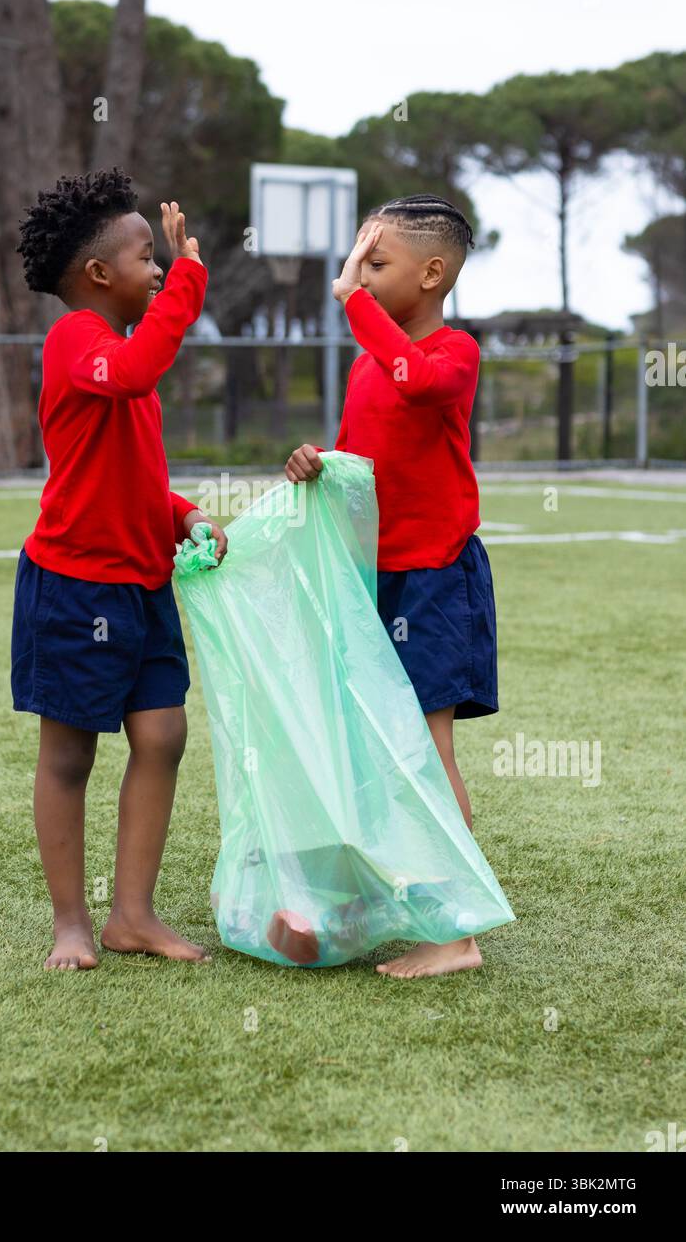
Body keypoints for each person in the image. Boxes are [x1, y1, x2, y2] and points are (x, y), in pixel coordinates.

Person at [12, 168, 227, 970]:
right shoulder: (78, 341)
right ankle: (71, 922)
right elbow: (137, 370)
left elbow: (131, 472)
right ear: (99, 275)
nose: (162, 271)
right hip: (74, 585)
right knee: (69, 754)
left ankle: (130, 915)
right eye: (149, 258)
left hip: (142, 583)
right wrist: (192, 283)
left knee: (163, 735)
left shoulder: (122, 358)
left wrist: (184, 515)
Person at [285, 194, 498, 979]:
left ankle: (458, 931)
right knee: (368, 750)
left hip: (433, 578)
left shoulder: (453, 353)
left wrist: (346, 300)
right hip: (367, 577)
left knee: (423, 748)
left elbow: (415, 386)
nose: (357, 277)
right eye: (356, 264)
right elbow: (357, 465)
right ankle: (367, 905)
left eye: (374, 263)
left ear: (432, 273)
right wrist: (314, 463)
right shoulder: (372, 360)